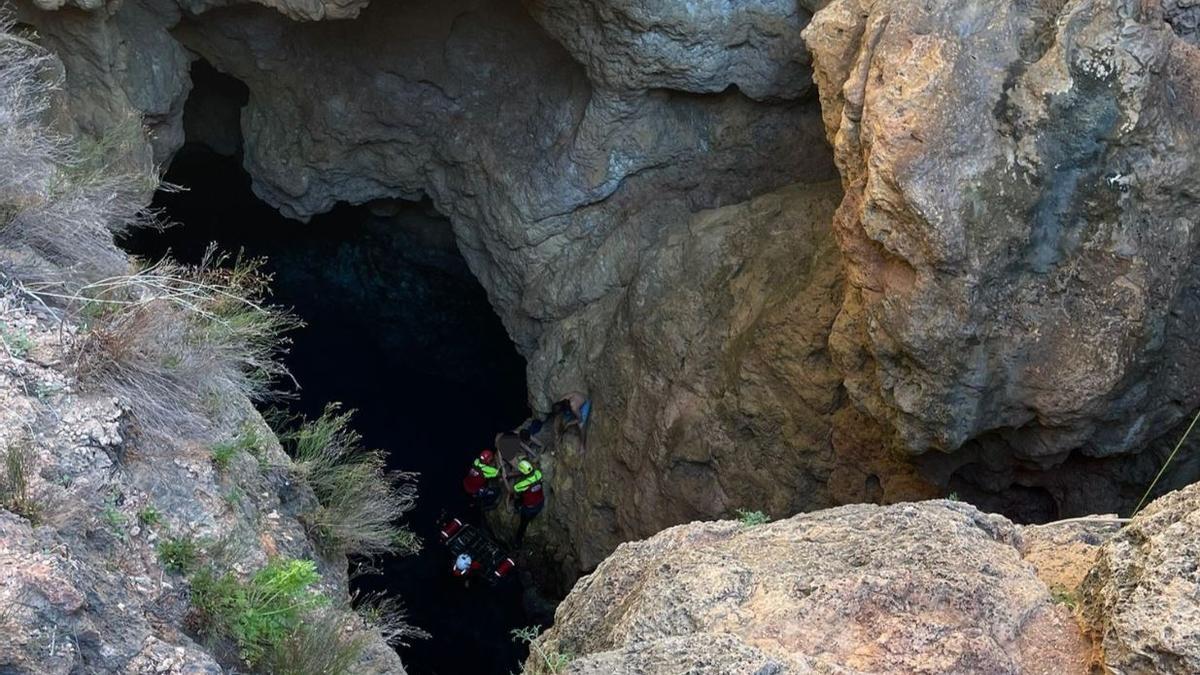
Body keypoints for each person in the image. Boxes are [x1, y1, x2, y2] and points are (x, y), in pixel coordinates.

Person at [509, 458, 544, 546]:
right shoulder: (538, 474)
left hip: (530, 509)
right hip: (540, 503)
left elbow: (515, 489)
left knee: (523, 525)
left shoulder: (522, 484)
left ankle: (517, 542)